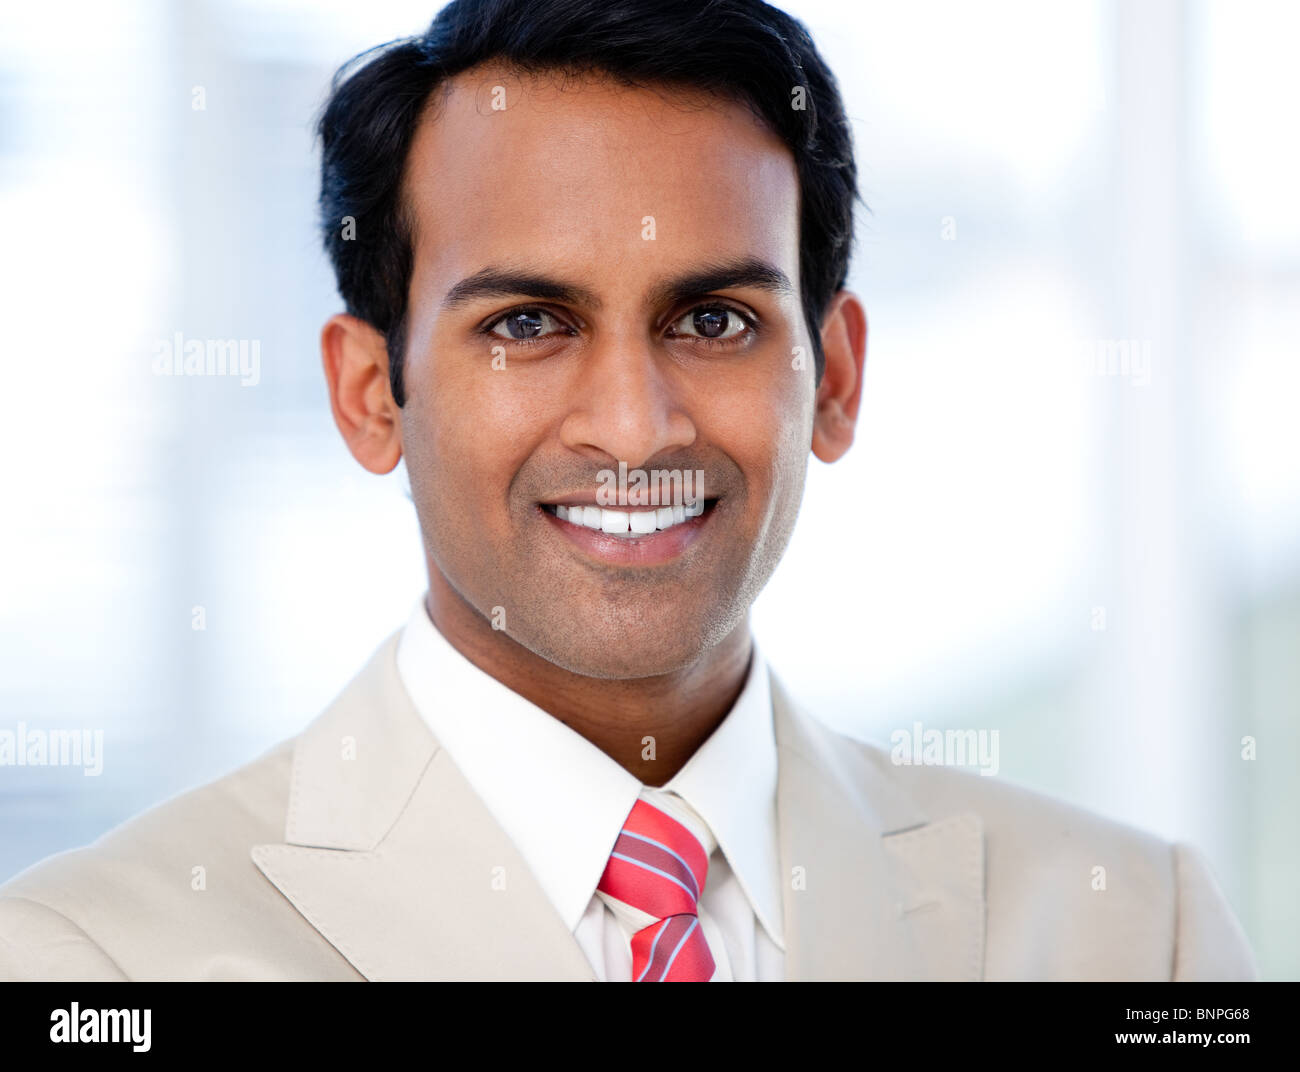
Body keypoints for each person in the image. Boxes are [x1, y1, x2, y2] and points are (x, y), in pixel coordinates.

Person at [0, 0, 1255, 981]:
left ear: (835, 379)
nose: (632, 425)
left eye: (711, 318)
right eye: (529, 322)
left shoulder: (1135, 938)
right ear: (372, 395)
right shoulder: (100, 961)